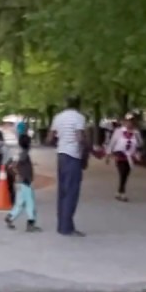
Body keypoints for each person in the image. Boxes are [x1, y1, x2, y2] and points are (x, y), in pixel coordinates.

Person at [50, 97, 88, 236]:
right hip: (73, 156)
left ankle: (61, 225)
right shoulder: (79, 117)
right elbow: (79, 137)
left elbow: (50, 137)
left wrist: (61, 141)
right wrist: (86, 146)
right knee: (72, 192)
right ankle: (67, 228)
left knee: (62, 191)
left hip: (61, 155)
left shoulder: (58, 117)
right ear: (78, 105)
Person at [5, 133, 40, 232]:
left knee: (20, 202)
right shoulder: (23, 154)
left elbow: (10, 165)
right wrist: (18, 173)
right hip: (25, 181)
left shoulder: (20, 153)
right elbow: (14, 164)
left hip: (20, 181)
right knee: (30, 203)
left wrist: (15, 174)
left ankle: (10, 217)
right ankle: (31, 222)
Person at [105, 113, 142, 202]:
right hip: (120, 156)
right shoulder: (118, 131)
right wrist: (108, 155)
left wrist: (138, 153)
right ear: (125, 122)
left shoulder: (136, 133)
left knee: (126, 174)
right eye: (128, 121)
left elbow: (140, 144)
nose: (130, 123)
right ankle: (123, 193)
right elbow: (112, 143)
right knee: (122, 173)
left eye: (131, 121)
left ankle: (119, 192)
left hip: (130, 157)